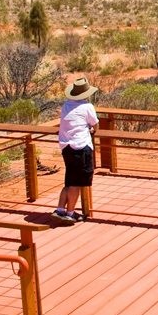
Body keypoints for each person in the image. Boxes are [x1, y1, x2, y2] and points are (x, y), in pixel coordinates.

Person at [52, 76, 99, 224]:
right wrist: (91, 130)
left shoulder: (66, 105)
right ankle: (70, 213)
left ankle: (60, 209)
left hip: (67, 147)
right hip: (80, 147)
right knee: (76, 183)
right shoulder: (87, 107)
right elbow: (95, 125)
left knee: (69, 180)